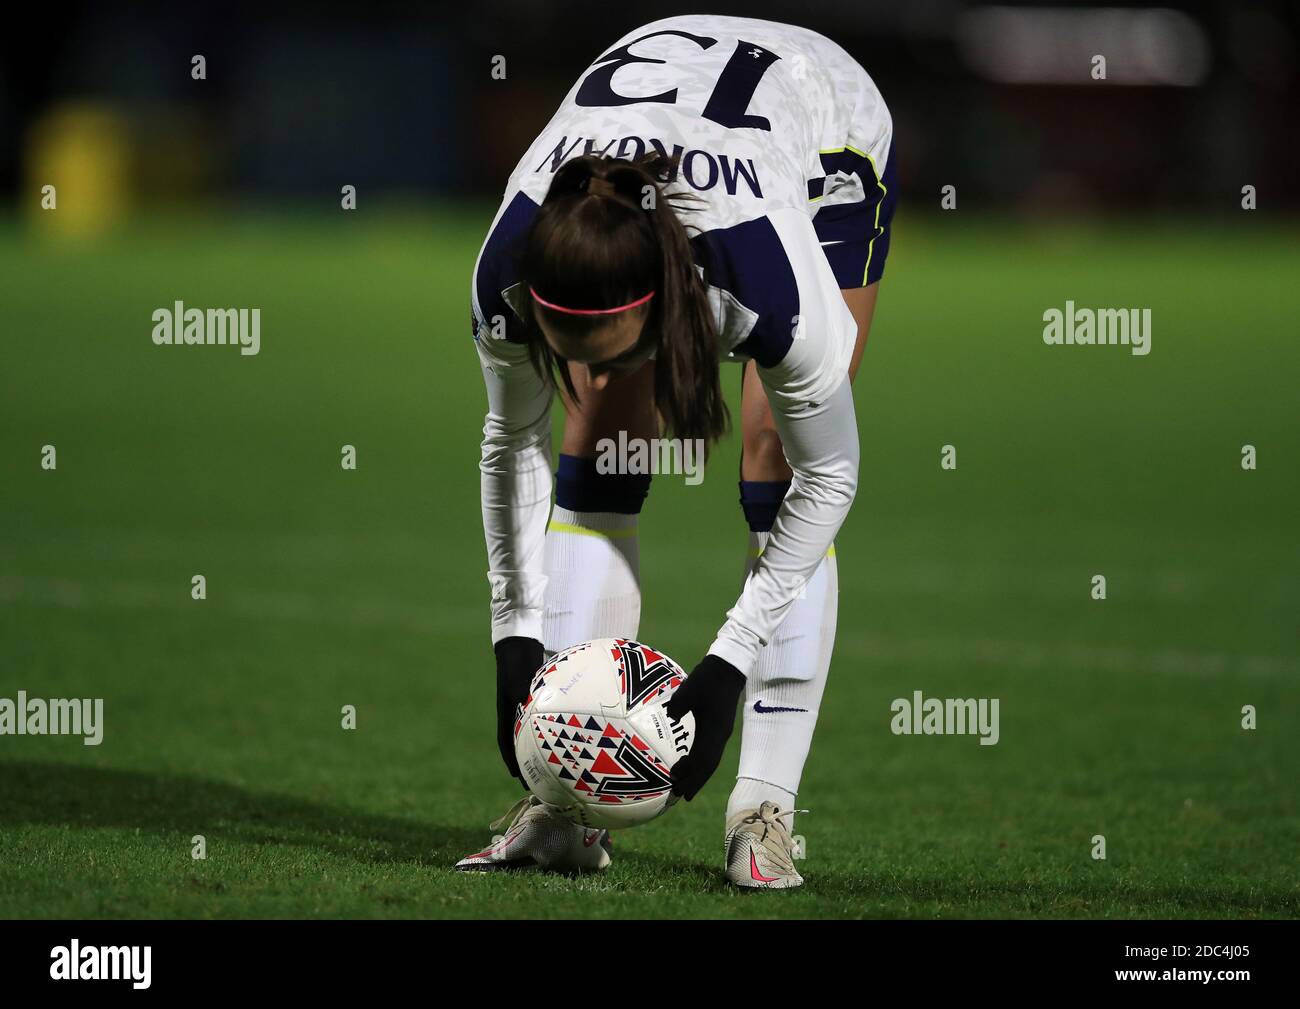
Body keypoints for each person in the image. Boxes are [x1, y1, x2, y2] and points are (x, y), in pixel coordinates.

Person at [457, 14, 896, 888]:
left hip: (822, 135)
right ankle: (564, 806)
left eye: (620, 345)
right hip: (662, 104)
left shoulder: (768, 284)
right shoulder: (506, 269)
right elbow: (512, 441)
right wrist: (515, 632)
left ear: (665, 307)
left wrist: (728, 663)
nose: (588, 363)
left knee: (776, 445)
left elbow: (832, 472)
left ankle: (763, 811)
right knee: (602, 432)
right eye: (564, 344)